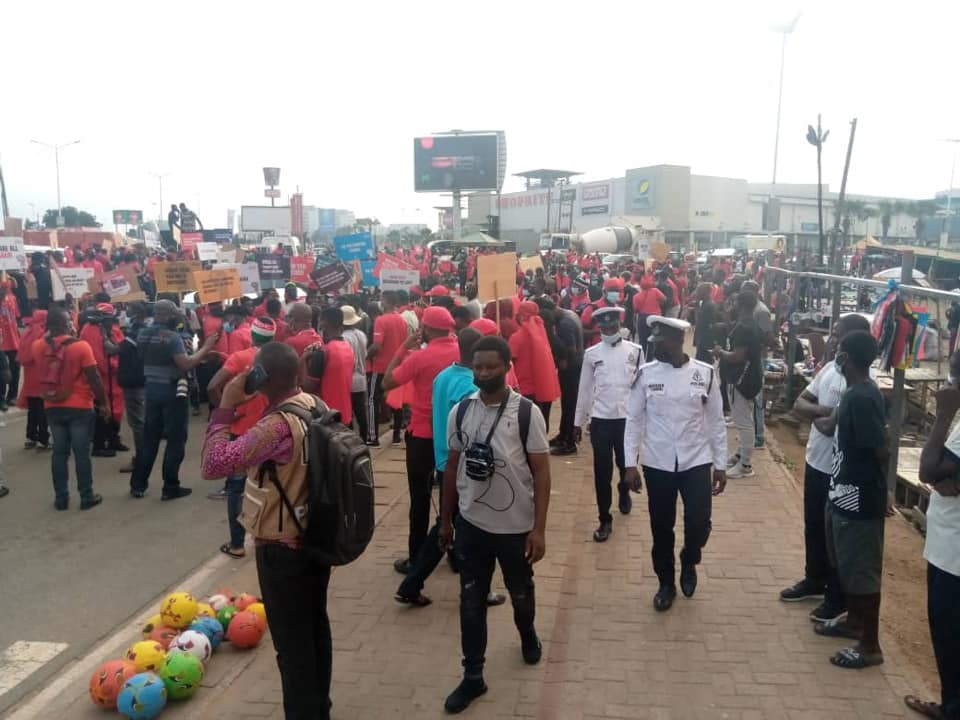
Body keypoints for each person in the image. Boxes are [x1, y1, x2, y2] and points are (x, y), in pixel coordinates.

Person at [201, 342, 333, 720]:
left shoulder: (276, 426)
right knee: (315, 629)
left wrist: (226, 405)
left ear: (263, 376)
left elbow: (214, 464)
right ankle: (319, 707)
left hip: (281, 549)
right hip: (316, 536)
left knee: (292, 649)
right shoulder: (314, 404)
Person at [439, 336, 551, 714]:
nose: (484, 373)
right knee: (471, 602)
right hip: (472, 525)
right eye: (478, 367)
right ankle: (473, 675)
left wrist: (539, 529)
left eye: (491, 366)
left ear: (507, 367)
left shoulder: (527, 413)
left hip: (516, 529)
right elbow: (451, 467)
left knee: (521, 594)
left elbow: (541, 471)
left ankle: (527, 632)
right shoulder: (461, 411)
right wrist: (446, 521)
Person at [624, 316, 727, 611]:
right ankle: (666, 583)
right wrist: (630, 464)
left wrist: (720, 464)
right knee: (661, 527)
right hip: (658, 462)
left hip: (696, 460)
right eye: (655, 342)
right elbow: (633, 420)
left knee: (699, 522)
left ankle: (689, 557)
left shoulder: (704, 374)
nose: (657, 347)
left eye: (663, 342)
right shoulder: (646, 375)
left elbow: (716, 421)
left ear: (679, 341)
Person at [781, 313, 871, 622]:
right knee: (814, 526)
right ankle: (814, 578)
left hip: (840, 472)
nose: (831, 340)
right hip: (816, 461)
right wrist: (824, 411)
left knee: (837, 538)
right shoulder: (831, 369)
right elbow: (800, 403)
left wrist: (823, 418)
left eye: (838, 335)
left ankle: (837, 596)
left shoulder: (859, 382)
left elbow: (832, 427)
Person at [395, 328, 487, 605]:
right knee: (458, 524)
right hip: (461, 465)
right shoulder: (469, 386)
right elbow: (472, 433)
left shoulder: (444, 376)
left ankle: (414, 582)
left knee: (450, 522)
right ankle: (417, 583)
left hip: (444, 458)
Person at [813, 330, 888, 670]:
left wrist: (881, 492)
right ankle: (854, 621)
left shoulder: (863, 397)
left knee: (862, 572)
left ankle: (869, 645)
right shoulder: (853, 393)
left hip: (859, 500)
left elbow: (880, 450)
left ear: (846, 358)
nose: (835, 355)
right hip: (841, 493)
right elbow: (831, 426)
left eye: (839, 351)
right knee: (845, 564)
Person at [383, 306, 459, 576]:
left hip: (423, 435)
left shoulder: (420, 357)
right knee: (455, 496)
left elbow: (387, 382)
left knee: (420, 499)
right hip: (454, 435)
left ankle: (416, 557)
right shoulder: (462, 352)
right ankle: (456, 553)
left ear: (426, 329)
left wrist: (403, 348)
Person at [907, 350, 960, 719]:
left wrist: (943, 414)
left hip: (953, 554)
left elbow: (927, 470)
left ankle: (952, 709)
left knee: (949, 634)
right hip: (948, 546)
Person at [129, 299, 219, 500]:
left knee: (149, 439)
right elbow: (186, 364)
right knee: (175, 440)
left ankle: (138, 484)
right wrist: (206, 348)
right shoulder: (172, 338)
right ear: (168, 315)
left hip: (151, 390)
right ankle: (170, 486)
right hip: (173, 392)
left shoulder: (142, 334)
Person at [205, 317, 276, 557]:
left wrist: (227, 411)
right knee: (269, 485)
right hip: (270, 431)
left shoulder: (240, 358)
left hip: (240, 433)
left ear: (252, 335)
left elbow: (212, 386)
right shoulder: (278, 359)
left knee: (237, 489)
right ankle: (267, 537)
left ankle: (237, 544)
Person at [575, 306, 644, 542]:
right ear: (599, 328)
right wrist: (577, 422)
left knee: (626, 465)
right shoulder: (592, 354)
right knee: (601, 473)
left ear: (619, 325)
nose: (608, 330)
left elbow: (641, 388)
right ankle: (605, 518)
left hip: (627, 421)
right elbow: (584, 389)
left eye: (612, 326)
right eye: (604, 327)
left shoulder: (635, 351)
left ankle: (624, 491)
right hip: (601, 421)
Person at [33, 307, 112, 510]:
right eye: (69, 320)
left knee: (59, 453)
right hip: (79, 406)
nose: (71, 323)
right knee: (81, 453)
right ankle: (86, 496)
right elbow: (94, 377)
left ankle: (61, 499)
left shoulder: (38, 346)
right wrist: (104, 403)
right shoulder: (80, 347)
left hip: (52, 405)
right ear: (64, 324)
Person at [715, 292, 762, 479]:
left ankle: (745, 465)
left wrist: (720, 352)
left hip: (742, 380)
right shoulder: (749, 324)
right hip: (748, 377)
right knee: (744, 419)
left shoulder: (745, 327)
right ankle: (740, 455)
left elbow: (737, 356)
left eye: (733, 302)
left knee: (744, 423)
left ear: (740, 304)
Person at [366, 291, 410, 447]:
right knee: (396, 401)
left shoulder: (380, 320)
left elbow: (377, 345)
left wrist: (367, 355)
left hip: (380, 367)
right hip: (397, 366)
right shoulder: (402, 320)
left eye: (381, 300)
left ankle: (372, 437)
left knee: (373, 400)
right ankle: (397, 436)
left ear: (386, 302)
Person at [509, 301, 561, 432]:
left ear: (521, 316)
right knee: (542, 424)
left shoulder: (516, 337)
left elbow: (510, 362)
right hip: (543, 387)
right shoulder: (542, 333)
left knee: (527, 429)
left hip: (524, 389)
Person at [114, 301, 149, 474]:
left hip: (134, 381)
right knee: (141, 421)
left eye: (129, 309)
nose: (126, 313)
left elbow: (115, 350)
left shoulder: (137, 331)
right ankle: (144, 455)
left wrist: (104, 336)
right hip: (141, 379)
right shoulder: (144, 330)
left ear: (137, 314)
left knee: (137, 423)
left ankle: (141, 458)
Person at [304, 307, 355, 426]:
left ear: (323, 324)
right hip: (345, 413)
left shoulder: (324, 352)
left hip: (327, 417)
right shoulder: (347, 347)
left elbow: (308, 388)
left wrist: (303, 360)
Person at [549, 298, 584, 456]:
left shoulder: (564, 324)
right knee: (567, 403)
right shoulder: (569, 314)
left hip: (571, 367)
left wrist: (557, 351)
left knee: (570, 405)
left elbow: (572, 349)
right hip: (574, 367)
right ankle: (563, 435)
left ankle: (569, 442)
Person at [741, 280, 773, 449]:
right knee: (748, 396)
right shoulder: (752, 309)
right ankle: (751, 433)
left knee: (756, 397)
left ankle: (759, 436)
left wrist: (753, 338)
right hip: (750, 358)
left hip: (758, 359)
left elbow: (769, 338)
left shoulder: (761, 311)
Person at [17, 309, 50, 449]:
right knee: (42, 410)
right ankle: (43, 439)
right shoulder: (43, 333)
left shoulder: (26, 333)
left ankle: (30, 437)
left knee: (32, 410)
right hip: (40, 376)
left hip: (29, 377)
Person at [340, 305, 369, 439]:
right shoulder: (361, 334)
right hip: (361, 378)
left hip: (349, 379)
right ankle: (364, 438)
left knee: (349, 413)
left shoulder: (344, 337)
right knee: (361, 413)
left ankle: (352, 440)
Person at [0, 280, 21, 410]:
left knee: (15, 368)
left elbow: (16, 316)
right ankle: (2, 398)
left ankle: (12, 396)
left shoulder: (12, 298)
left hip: (12, 339)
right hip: (2, 339)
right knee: (3, 370)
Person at [692, 282, 718, 364]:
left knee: (703, 362)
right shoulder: (704, 303)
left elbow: (707, 325)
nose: (696, 293)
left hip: (705, 341)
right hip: (702, 339)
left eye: (699, 291)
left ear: (706, 292)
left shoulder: (709, 306)